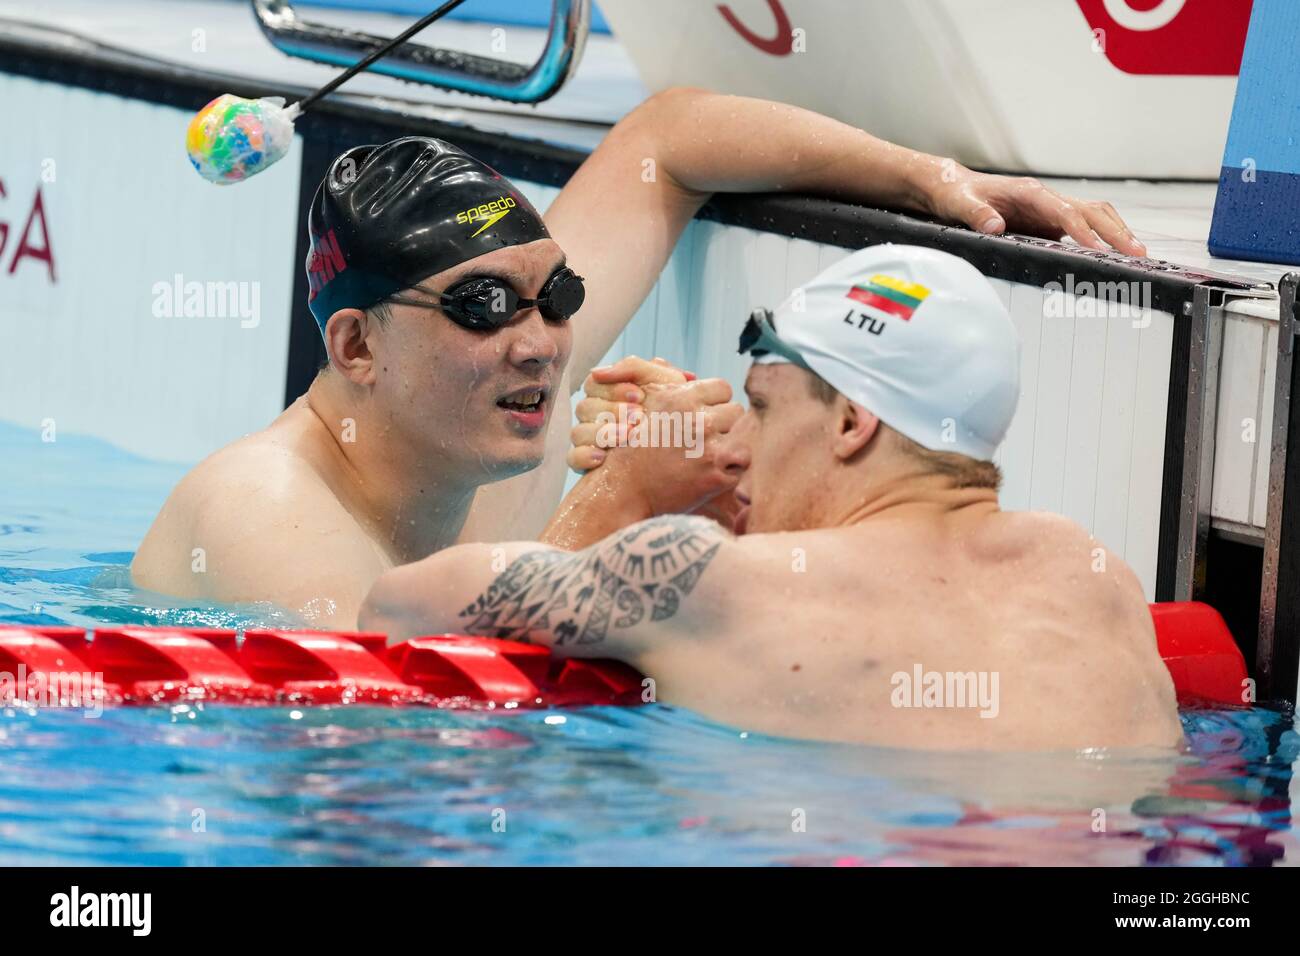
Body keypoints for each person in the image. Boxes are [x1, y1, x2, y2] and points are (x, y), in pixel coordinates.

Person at [132, 86, 1147, 628]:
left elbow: (668, 137)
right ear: (356, 343)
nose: (538, 341)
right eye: (483, 307)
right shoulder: (260, 510)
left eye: (557, 293)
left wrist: (936, 181)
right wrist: (616, 504)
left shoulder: (477, 404)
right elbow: (427, 736)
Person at [359, 245, 1182, 751]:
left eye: (761, 407)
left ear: (853, 423)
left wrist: (630, 488)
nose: (740, 445)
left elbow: (395, 607)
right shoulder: (1092, 574)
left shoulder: (711, 581)